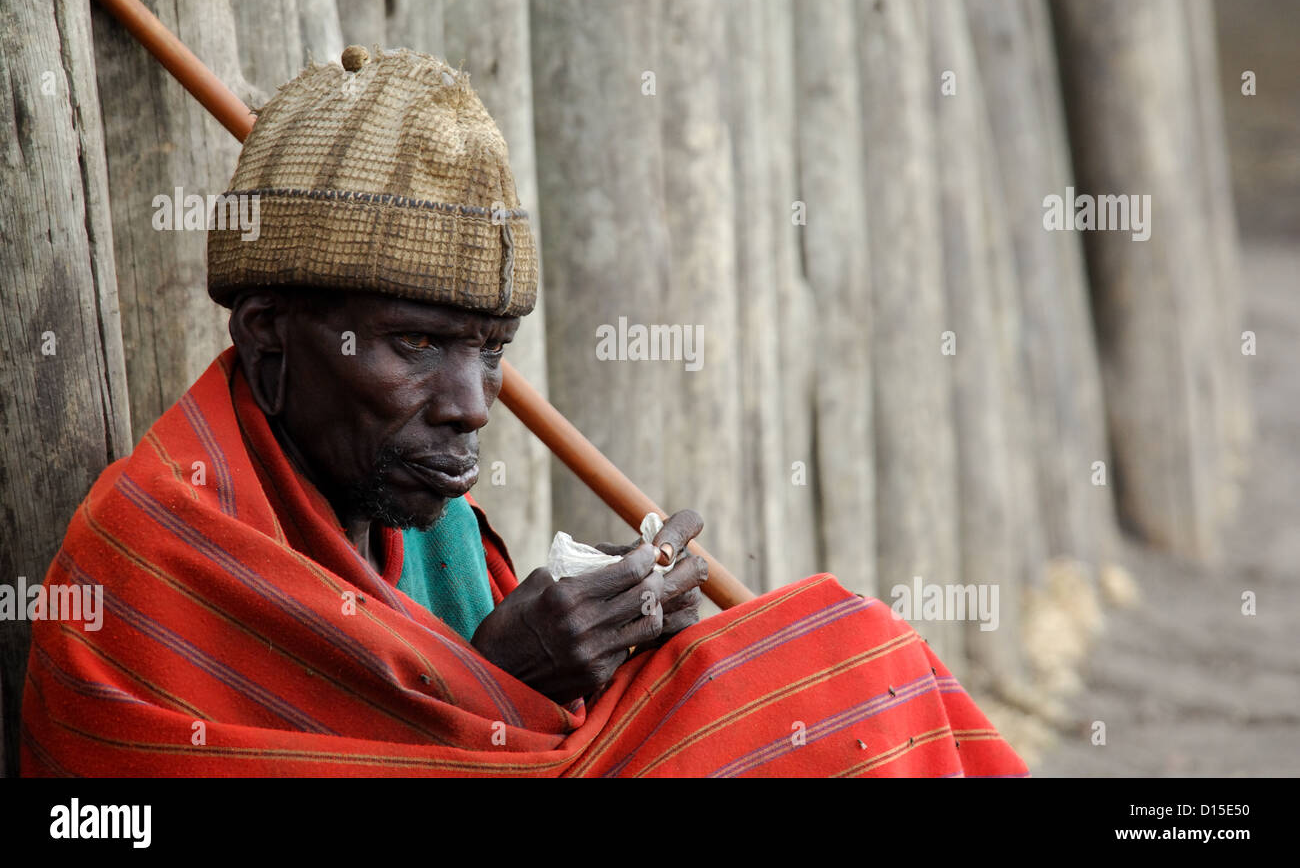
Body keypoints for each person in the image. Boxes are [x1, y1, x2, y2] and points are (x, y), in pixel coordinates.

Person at [21, 47, 1027, 777]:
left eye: (491, 349)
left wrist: (618, 654)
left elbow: (557, 746)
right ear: (269, 338)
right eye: (417, 343)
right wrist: (494, 677)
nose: (472, 407)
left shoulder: (441, 528)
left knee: (846, 656)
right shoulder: (148, 559)